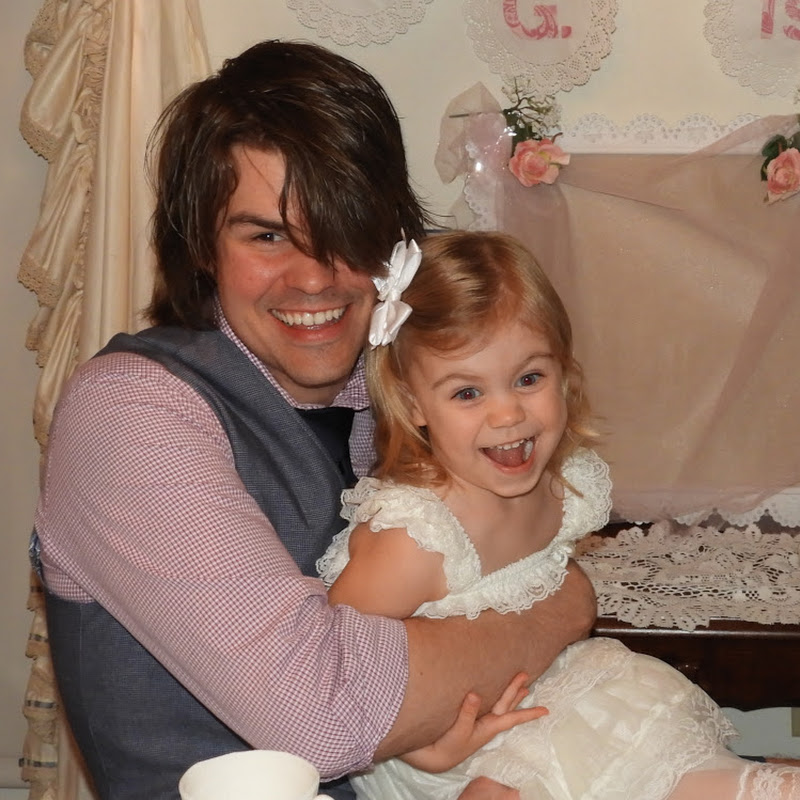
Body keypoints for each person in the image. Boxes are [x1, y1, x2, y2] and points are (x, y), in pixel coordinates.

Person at [30, 41, 596, 800]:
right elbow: (321, 715)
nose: (313, 277)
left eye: (342, 227)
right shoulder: (130, 413)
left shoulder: (413, 387)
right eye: (266, 236)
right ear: (202, 247)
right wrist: (561, 607)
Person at [317, 230, 800, 800]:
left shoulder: (564, 486)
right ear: (411, 402)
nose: (508, 414)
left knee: (689, 771)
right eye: (467, 393)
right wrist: (427, 749)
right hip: (443, 751)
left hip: (549, 689)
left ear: (564, 376)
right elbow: (338, 674)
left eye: (529, 379)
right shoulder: (414, 537)